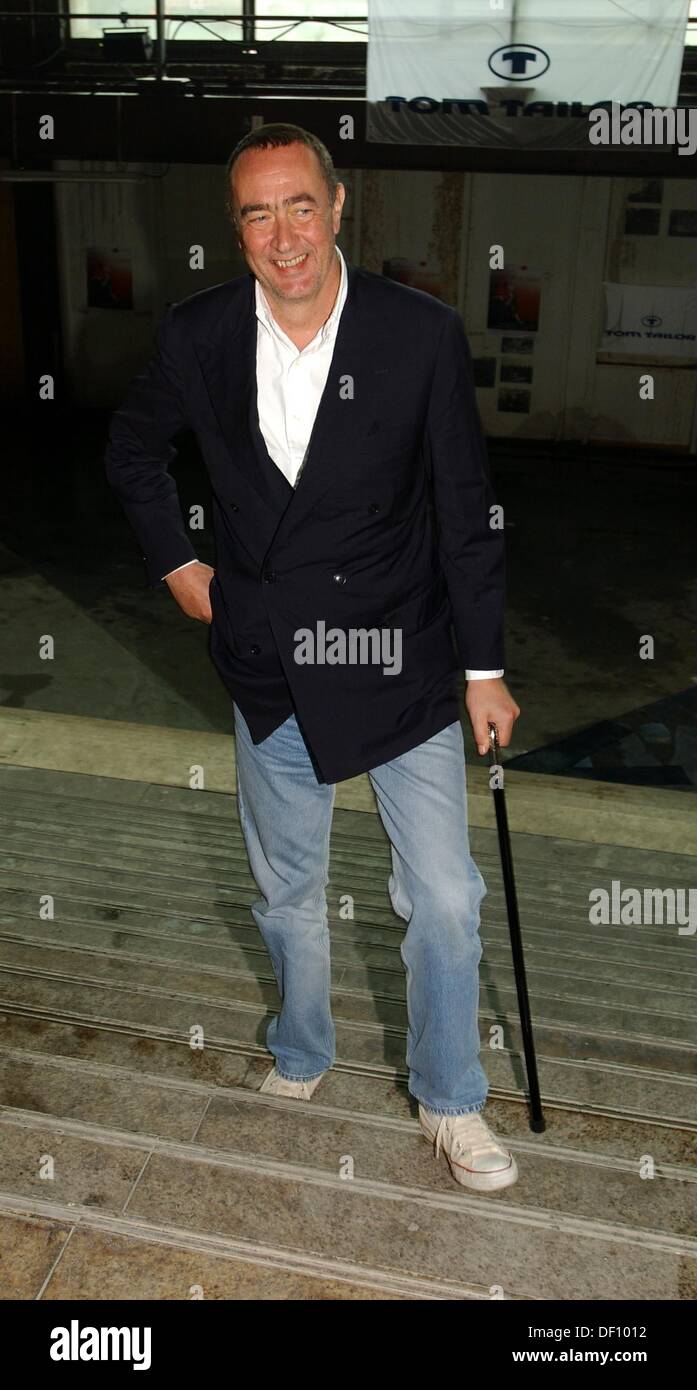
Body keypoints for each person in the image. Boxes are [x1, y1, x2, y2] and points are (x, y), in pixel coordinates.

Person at [105, 123, 521, 1193]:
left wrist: (482, 668)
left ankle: (449, 1097)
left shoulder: (418, 333)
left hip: (397, 659)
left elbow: (465, 509)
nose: (283, 235)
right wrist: (178, 564)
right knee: (288, 890)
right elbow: (131, 450)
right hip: (269, 659)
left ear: (337, 208)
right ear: (236, 228)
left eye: (300, 206)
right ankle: (302, 1048)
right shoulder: (199, 333)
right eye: (259, 213)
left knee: (445, 895)